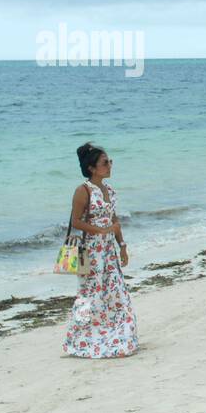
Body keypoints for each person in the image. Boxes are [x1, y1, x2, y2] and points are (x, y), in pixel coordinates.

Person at [63, 143, 138, 359]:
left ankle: (118, 337)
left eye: (110, 161)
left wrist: (122, 245)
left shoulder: (110, 190)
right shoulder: (83, 191)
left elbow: (114, 220)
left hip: (109, 251)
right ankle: (79, 340)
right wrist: (102, 230)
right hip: (90, 252)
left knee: (115, 292)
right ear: (92, 168)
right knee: (88, 295)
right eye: (105, 162)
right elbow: (76, 222)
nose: (110, 165)